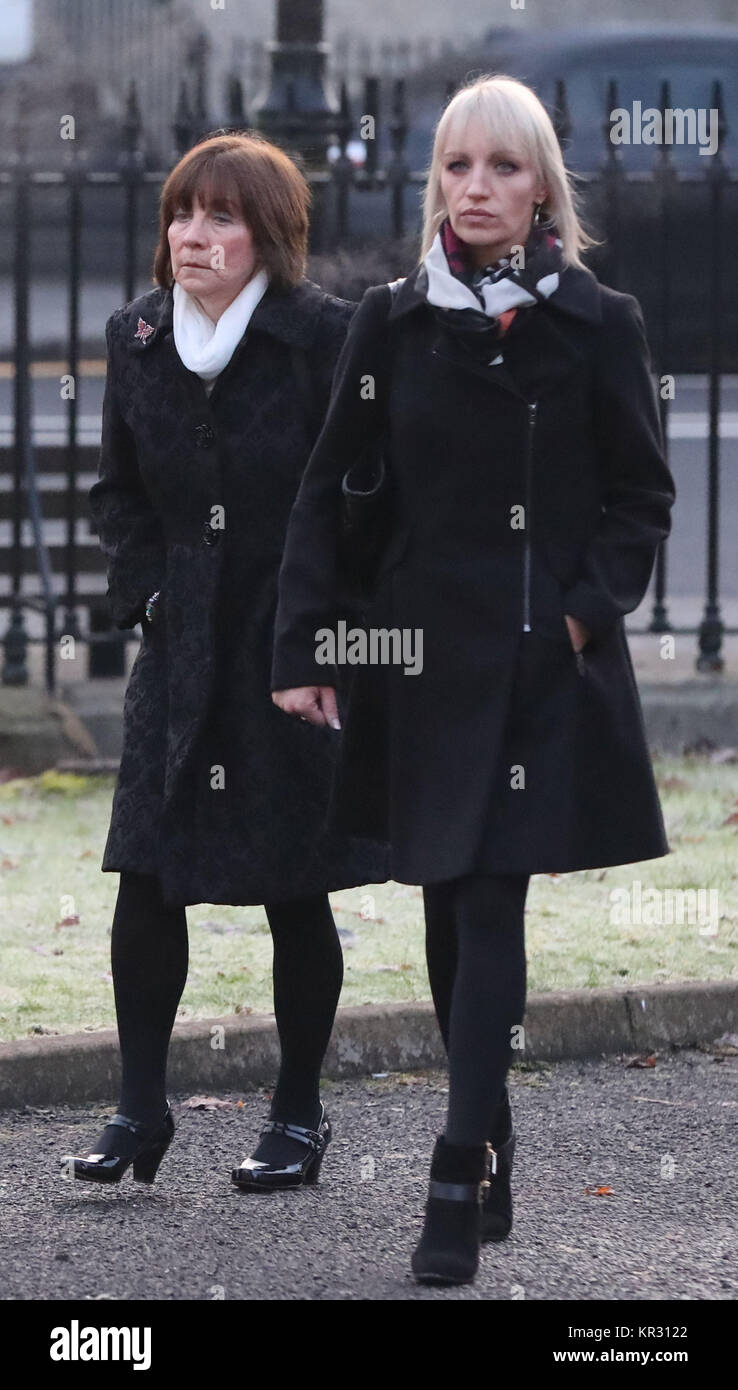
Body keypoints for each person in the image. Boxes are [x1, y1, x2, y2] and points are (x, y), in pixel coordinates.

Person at [271, 76, 676, 1284]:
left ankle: (454, 1163)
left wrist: (574, 619)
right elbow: (330, 492)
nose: (477, 188)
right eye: (456, 167)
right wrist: (306, 646)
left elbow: (640, 496)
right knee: (448, 902)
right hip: (419, 662)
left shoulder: (602, 321)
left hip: (537, 666)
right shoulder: (389, 324)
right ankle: (491, 1119)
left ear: (543, 185)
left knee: (491, 894)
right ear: (435, 183)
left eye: (503, 167)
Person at [64, 133, 388, 1192]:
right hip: (180, 647)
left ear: (271, 235)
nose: (192, 236)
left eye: (220, 217)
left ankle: (297, 1115)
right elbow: (117, 494)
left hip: (287, 646)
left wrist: (326, 623)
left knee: (297, 883)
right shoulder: (140, 335)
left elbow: (364, 495)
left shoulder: (323, 338)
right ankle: (138, 1109)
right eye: (181, 214)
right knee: (146, 876)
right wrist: (149, 593)